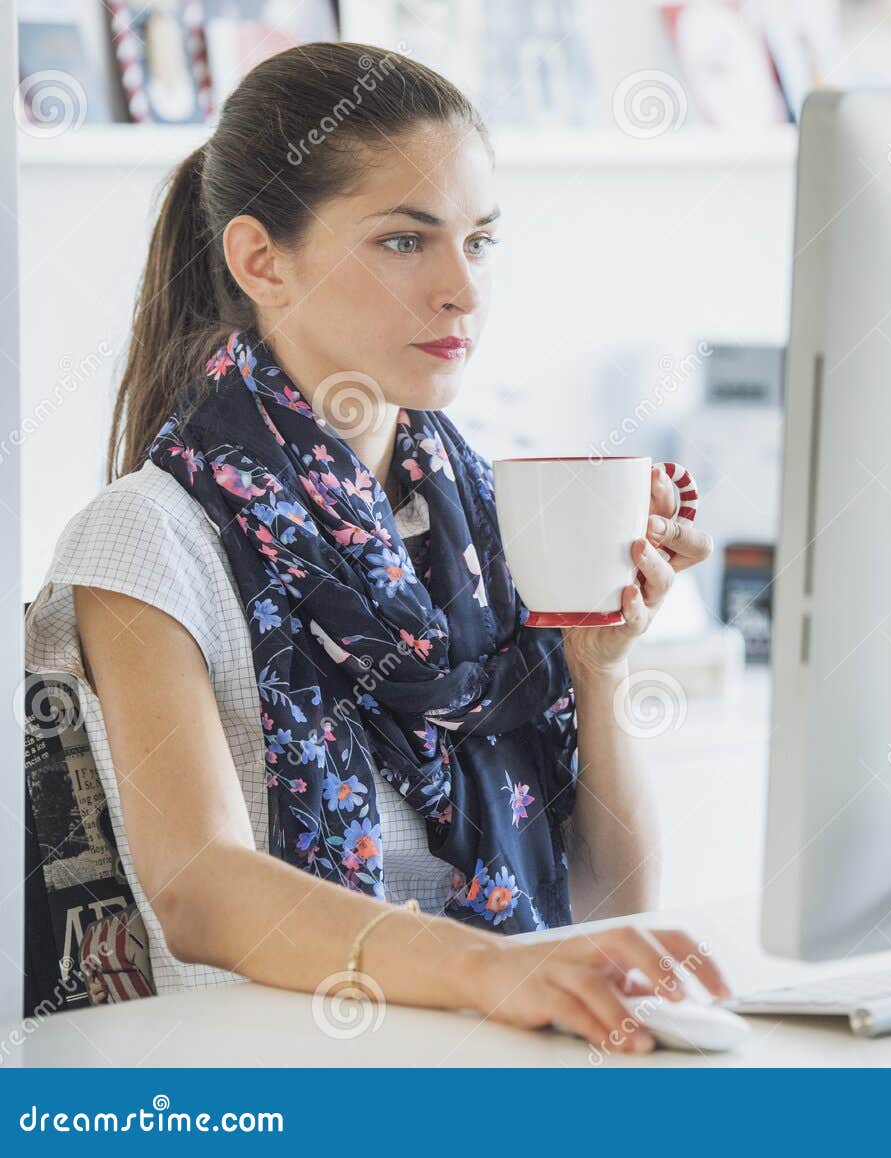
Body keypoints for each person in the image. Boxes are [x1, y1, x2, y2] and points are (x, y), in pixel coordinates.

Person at [22, 42, 725, 1054]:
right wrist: (489, 971)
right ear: (262, 260)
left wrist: (596, 670)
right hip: (279, 1084)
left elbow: (605, 907)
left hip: (504, 1065)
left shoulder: (488, 524)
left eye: (479, 241)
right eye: (405, 242)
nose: (463, 291)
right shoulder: (147, 535)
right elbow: (201, 892)